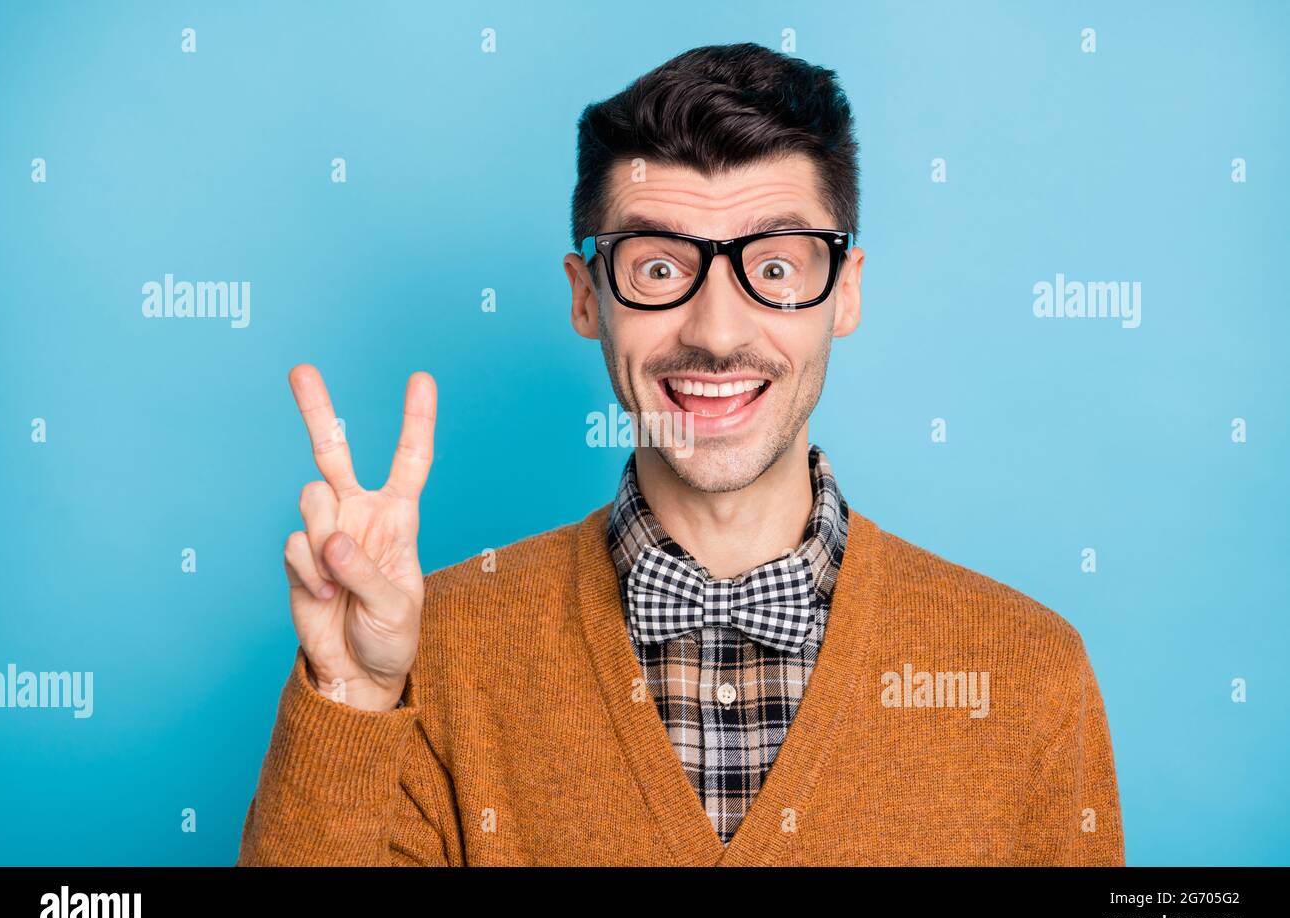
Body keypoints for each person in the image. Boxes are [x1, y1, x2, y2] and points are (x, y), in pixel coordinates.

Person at [237, 42, 1124, 866]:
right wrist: (351, 702)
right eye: (659, 269)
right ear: (588, 298)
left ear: (844, 293)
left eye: (776, 268)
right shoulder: (430, 653)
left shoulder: (1026, 670)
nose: (717, 331)